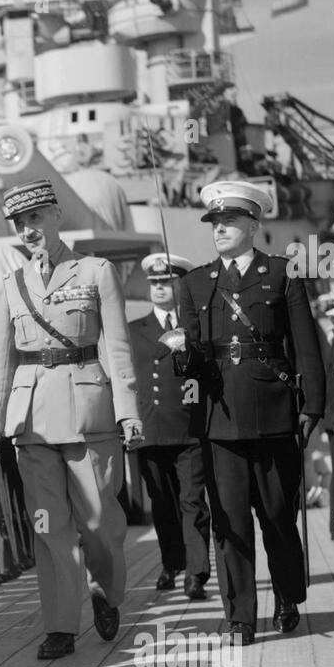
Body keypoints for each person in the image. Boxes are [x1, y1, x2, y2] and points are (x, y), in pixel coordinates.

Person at [0, 179, 143, 660]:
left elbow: (116, 348)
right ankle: (59, 627)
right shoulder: (10, 287)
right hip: (30, 421)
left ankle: (105, 593)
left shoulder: (96, 272)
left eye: (35, 218)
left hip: (89, 412)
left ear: (56, 216)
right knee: (48, 526)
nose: (28, 230)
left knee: (99, 525)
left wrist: (128, 412)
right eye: (19, 223)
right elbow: (0, 367)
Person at [165, 180, 325, 646]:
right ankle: (239, 616)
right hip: (220, 418)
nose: (220, 229)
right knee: (229, 522)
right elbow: (193, 357)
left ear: (254, 225)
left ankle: (287, 596)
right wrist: (182, 353)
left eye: (230, 220)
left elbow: (305, 348)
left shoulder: (282, 275)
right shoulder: (195, 282)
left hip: (275, 414)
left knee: (276, 514)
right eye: (215, 222)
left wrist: (312, 406)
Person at [127, 252, 211, 599]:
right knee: (162, 503)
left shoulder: (195, 326)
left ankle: (197, 572)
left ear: (181, 284)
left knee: (193, 500)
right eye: (155, 283)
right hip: (150, 427)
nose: (160, 287)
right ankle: (171, 563)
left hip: (189, 427)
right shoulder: (134, 330)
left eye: (167, 281)